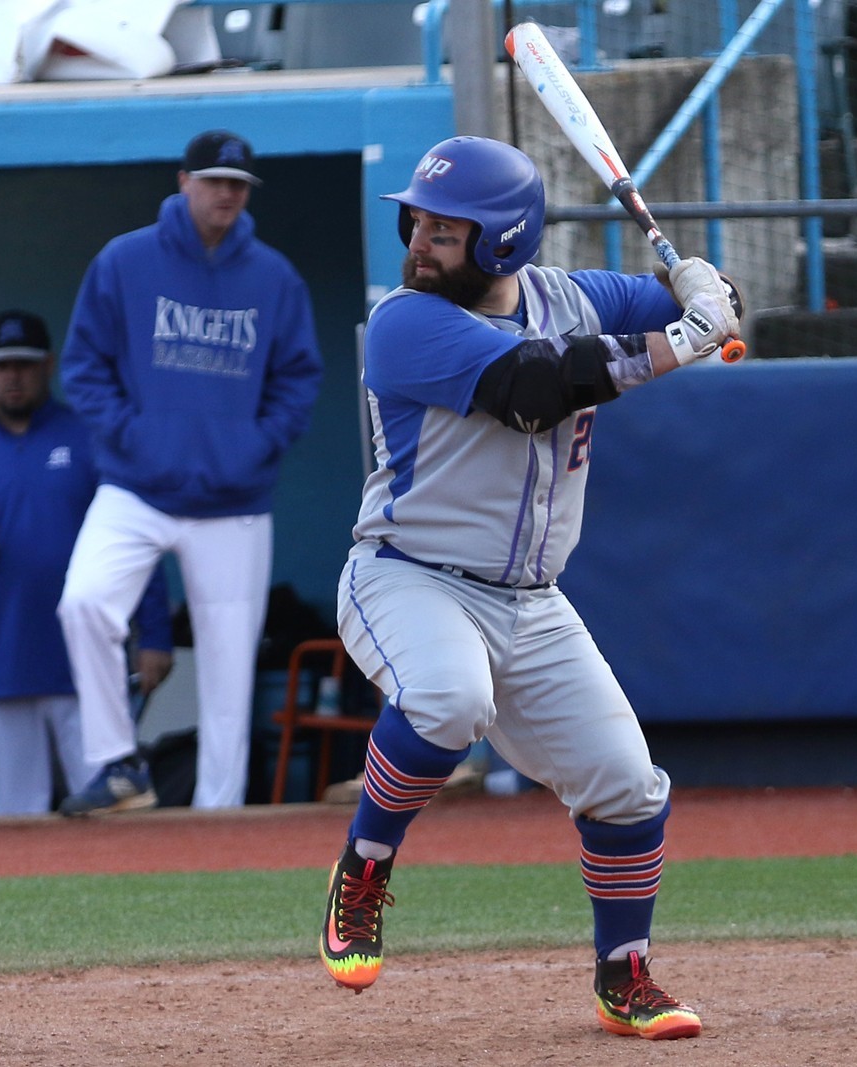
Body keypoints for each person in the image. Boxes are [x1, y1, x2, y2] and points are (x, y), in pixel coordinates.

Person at [315, 135, 740, 1041]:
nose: (420, 242)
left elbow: (682, 306)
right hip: (409, 577)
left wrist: (706, 287)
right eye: (418, 222)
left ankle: (624, 974)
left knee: (627, 784)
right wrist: (681, 339)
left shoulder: (570, 294)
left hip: (532, 599)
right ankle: (365, 863)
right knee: (448, 699)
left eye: (445, 229)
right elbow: (537, 390)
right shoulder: (405, 322)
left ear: (504, 240)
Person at [55, 129, 323, 814]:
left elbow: (298, 379)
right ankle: (118, 764)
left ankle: (219, 819)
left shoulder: (274, 276)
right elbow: (83, 369)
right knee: (84, 602)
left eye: (237, 184)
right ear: (183, 182)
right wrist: (135, 438)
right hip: (137, 486)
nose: (226, 194)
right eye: (213, 181)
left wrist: (254, 446)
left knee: (231, 670)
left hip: (233, 498)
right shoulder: (124, 261)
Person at [0, 309, 173, 816]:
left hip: (86, 665)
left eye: (23, 363)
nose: (12, 375)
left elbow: (138, 538)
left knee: (107, 809)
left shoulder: (89, 438)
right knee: (15, 813)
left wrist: (154, 635)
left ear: (48, 364)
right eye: (1, 366)